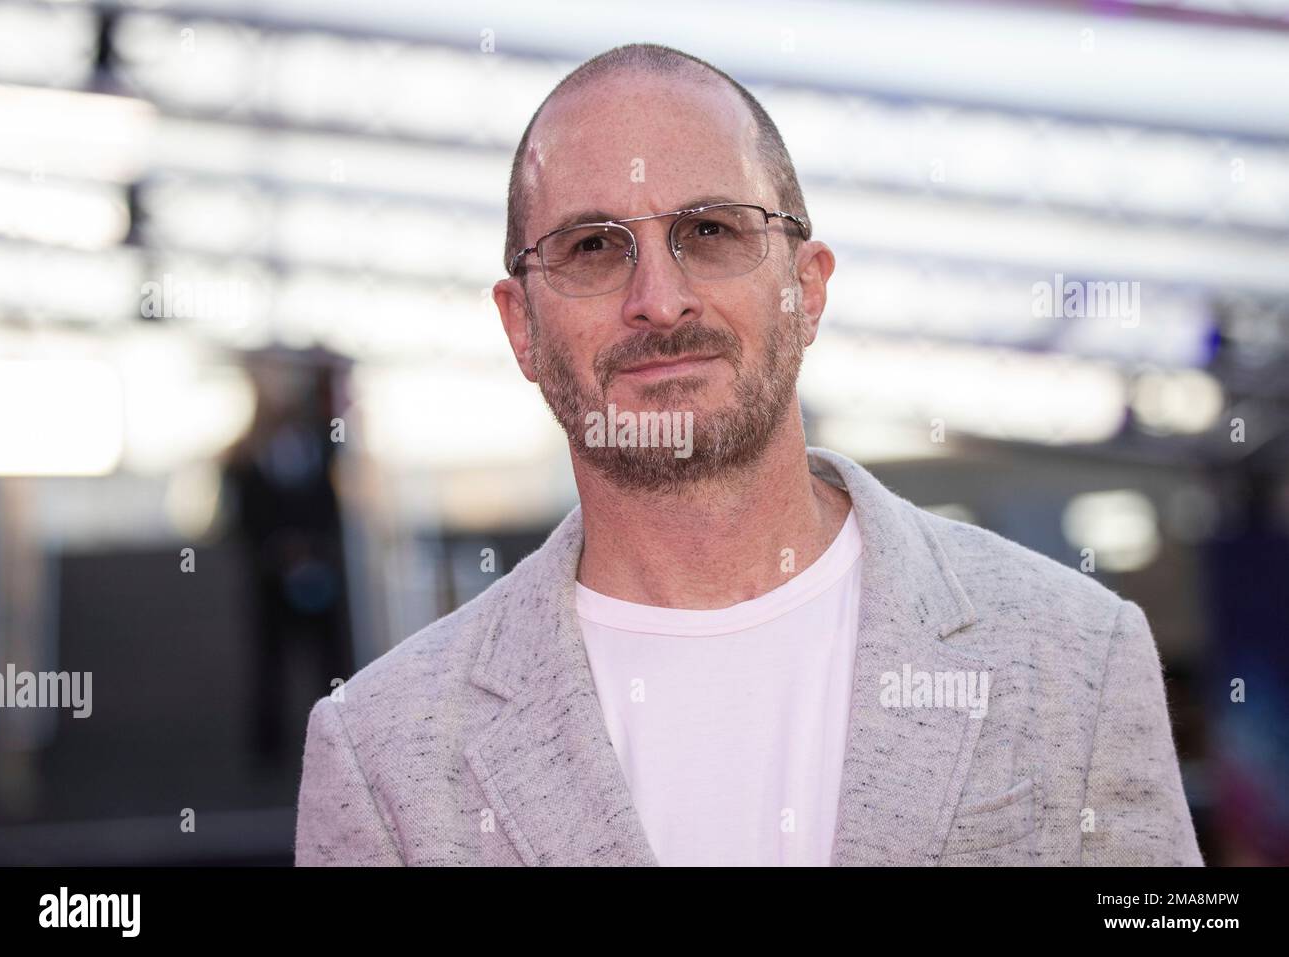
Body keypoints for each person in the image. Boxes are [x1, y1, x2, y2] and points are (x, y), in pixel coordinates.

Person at [294, 42, 1202, 866]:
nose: (659, 299)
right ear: (520, 326)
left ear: (806, 289)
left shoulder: (1075, 655)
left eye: (712, 231)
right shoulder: (382, 752)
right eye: (593, 247)